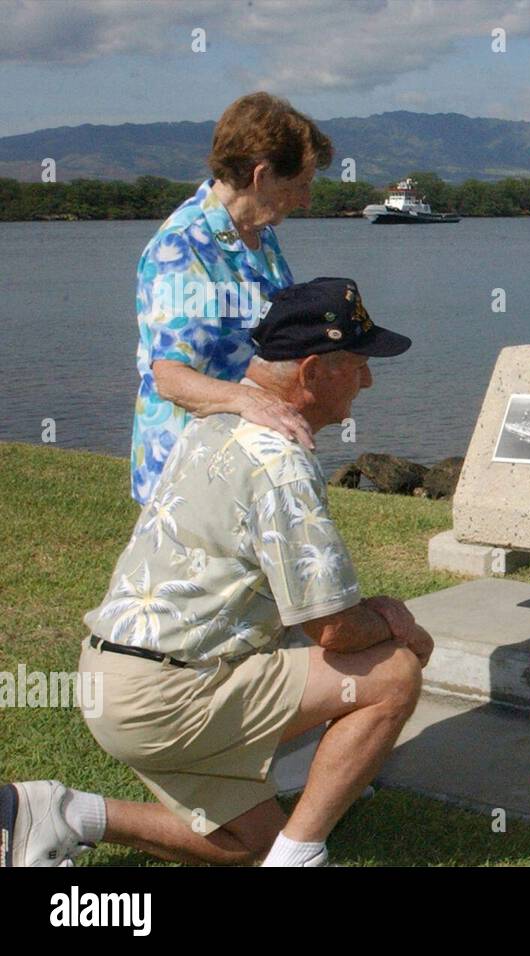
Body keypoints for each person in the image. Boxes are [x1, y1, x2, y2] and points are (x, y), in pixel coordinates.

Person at [3, 278, 426, 867]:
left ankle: (63, 812)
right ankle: (301, 858)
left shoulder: (210, 424)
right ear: (311, 372)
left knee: (252, 846)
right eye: (358, 364)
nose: (369, 380)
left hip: (111, 679)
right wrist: (394, 619)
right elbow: (333, 628)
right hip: (173, 695)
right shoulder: (280, 461)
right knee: (392, 673)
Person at [131, 92, 332, 507]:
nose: (306, 200)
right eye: (300, 185)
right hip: (189, 475)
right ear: (261, 176)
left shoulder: (261, 235)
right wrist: (250, 399)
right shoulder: (184, 246)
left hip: (243, 462)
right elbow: (170, 376)